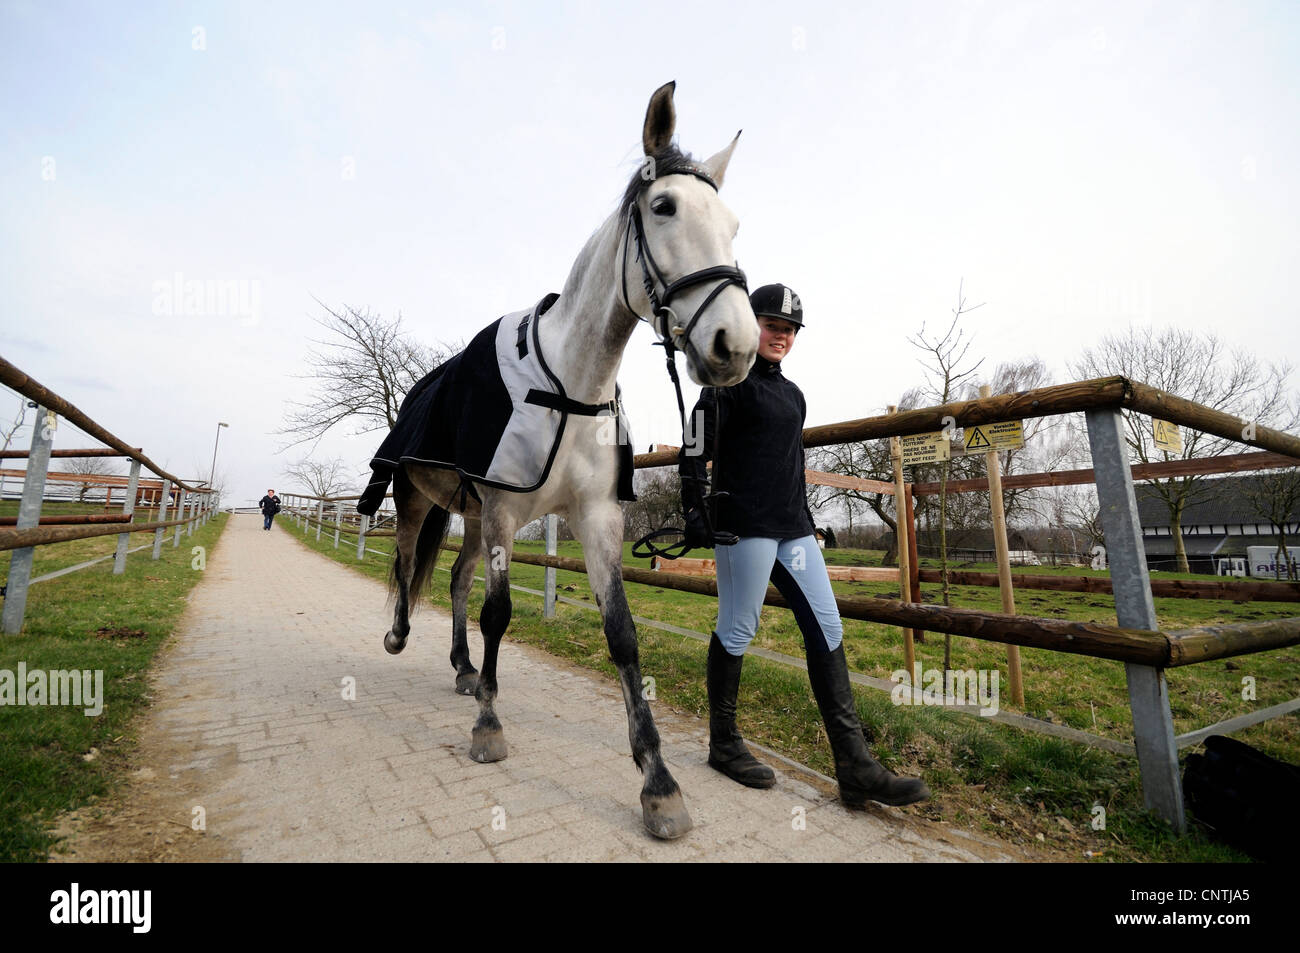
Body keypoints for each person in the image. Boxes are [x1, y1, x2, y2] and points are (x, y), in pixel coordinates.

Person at [679, 283, 930, 808]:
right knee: (738, 627)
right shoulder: (725, 382)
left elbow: (791, 465)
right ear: (750, 324)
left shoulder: (793, 394)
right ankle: (723, 744)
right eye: (773, 325)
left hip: (792, 529)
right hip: (743, 526)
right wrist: (695, 509)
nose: (783, 336)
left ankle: (854, 767)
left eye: (790, 330)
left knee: (828, 628)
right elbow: (694, 448)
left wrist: (809, 523)